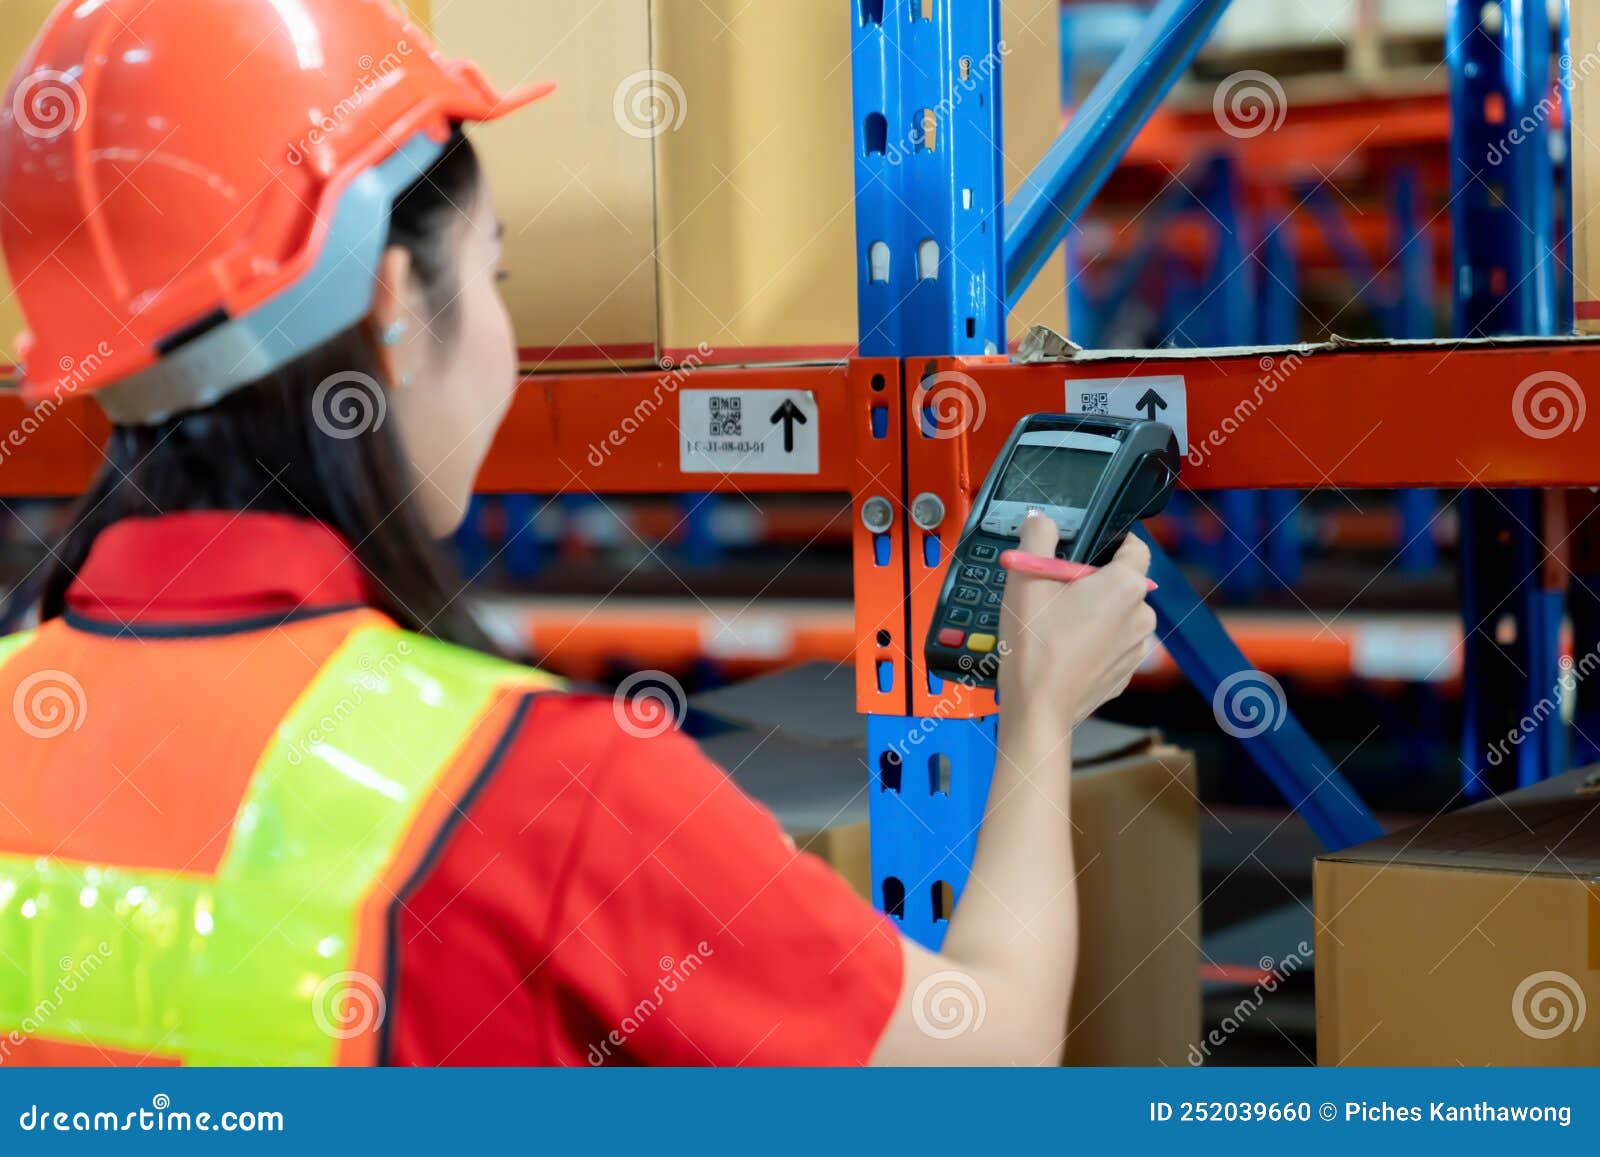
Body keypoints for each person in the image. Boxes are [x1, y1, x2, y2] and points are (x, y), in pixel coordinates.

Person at [0, 0, 1156, 1066]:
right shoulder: (538, 788)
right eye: (492, 270)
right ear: (396, 299)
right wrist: (1039, 717)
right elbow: (980, 1068)